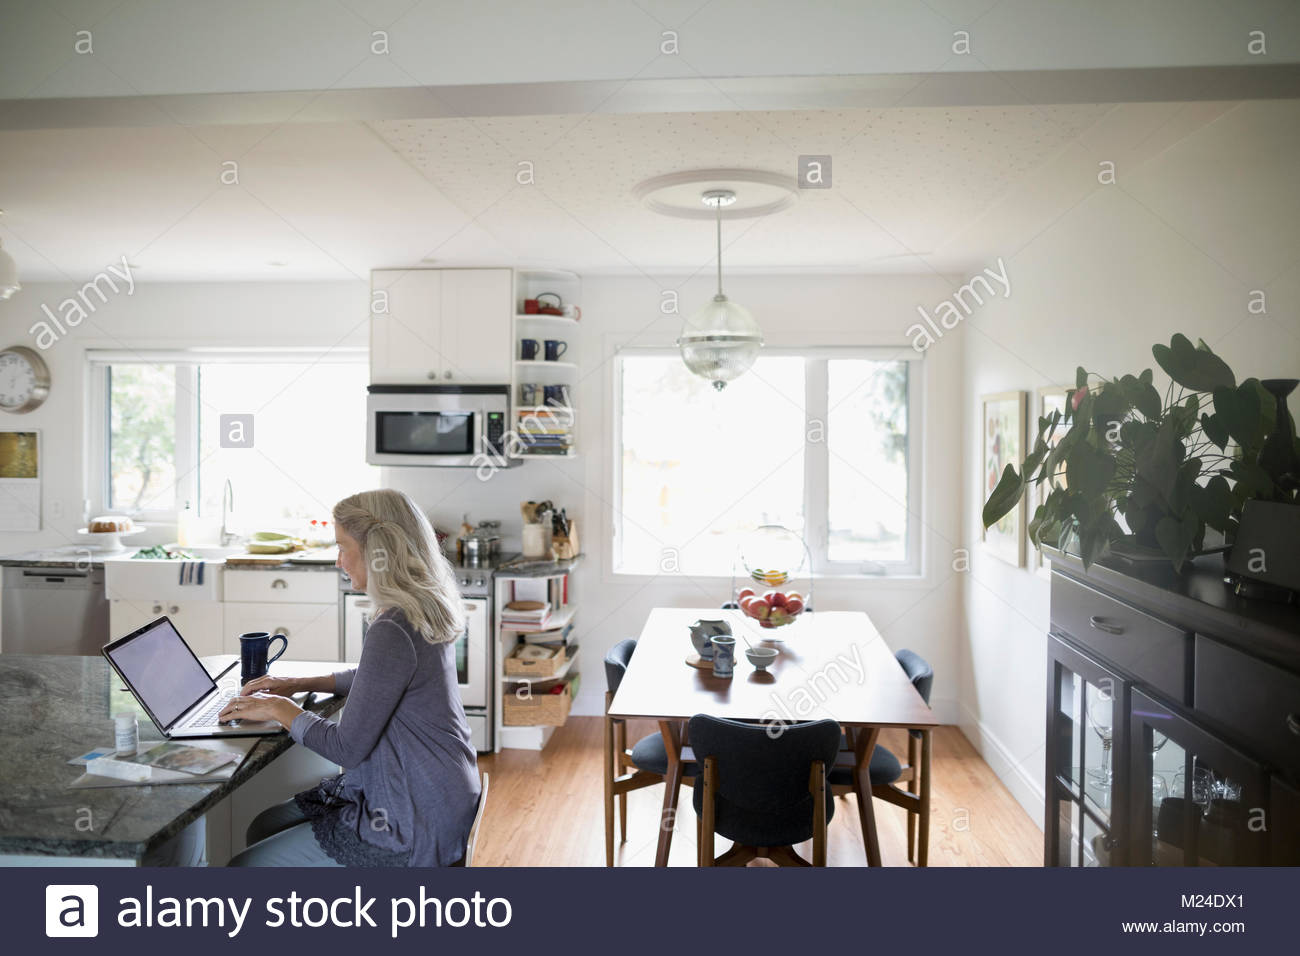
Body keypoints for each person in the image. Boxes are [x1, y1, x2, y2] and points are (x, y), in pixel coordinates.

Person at [222, 489, 480, 866]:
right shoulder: (419, 605)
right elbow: (378, 678)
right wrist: (298, 683)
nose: (339, 560)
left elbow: (346, 748)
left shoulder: (394, 626)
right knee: (265, 824)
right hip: (444, 790)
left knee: (243, 866)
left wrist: (281, 709)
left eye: (343, 547)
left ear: (378, 551)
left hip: (412, 816)